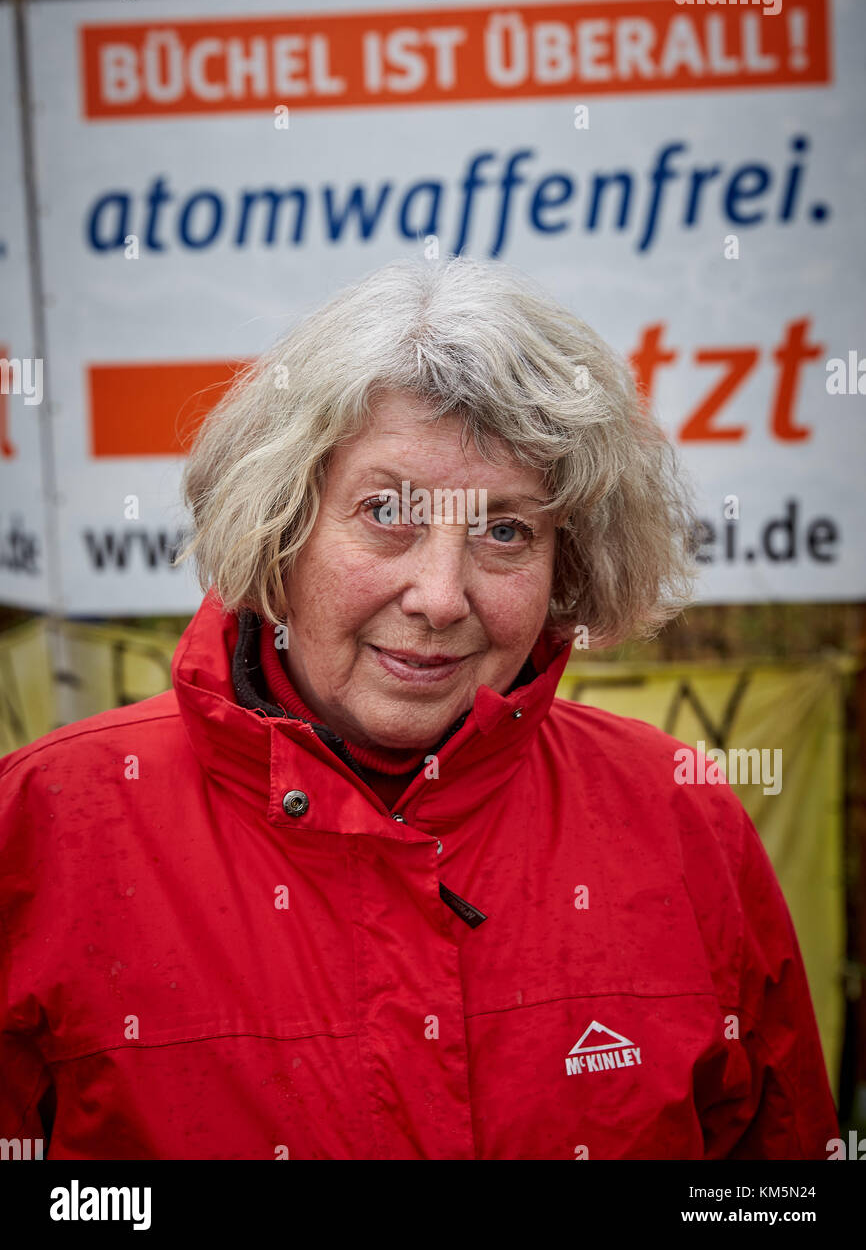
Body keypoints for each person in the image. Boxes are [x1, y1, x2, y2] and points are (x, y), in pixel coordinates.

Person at [0, 255, 838, 1159]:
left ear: (571, 564)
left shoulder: (681, 817)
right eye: (388, 511)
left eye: (505, 530)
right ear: (278, 521)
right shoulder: (51, 823)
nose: (441, 597)